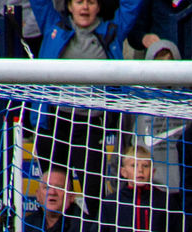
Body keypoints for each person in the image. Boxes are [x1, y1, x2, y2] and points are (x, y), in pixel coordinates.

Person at [27, 0, 145, 176]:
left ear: (99, 7)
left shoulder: (112, 31)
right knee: (55, 185)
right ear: (69, 6)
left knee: (93, 188)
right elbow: (40, 3)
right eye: (79, 2)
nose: (85, 7)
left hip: (91, 123)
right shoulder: (53, 26)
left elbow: (131, 6)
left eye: (91, 2)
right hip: (54, 121)